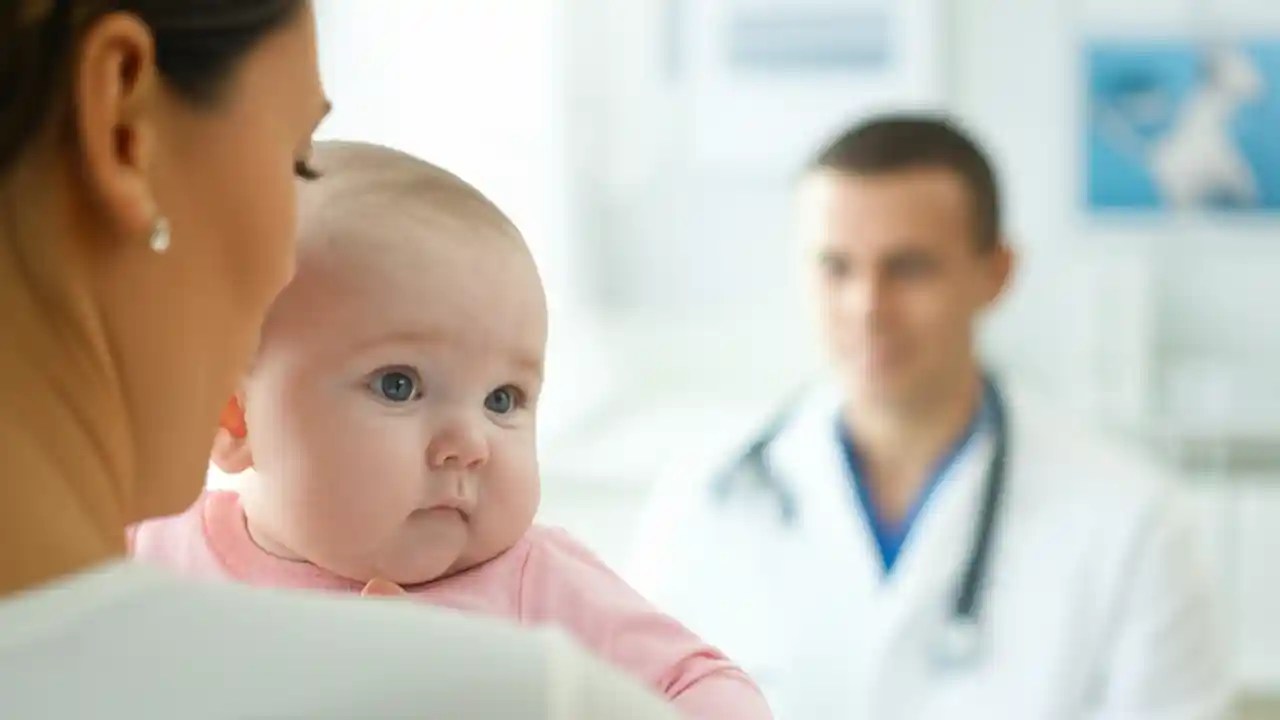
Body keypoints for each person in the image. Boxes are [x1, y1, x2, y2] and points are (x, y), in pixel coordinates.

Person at [0, 2, 679, 717]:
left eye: (505, 399)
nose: (286, 266)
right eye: (294, 159)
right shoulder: (517, 698)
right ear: (122, 122)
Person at [129, 140, 773, 719]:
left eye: (503, 398)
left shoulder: (537, 584)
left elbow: (709, 692)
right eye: (397, 385)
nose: (471, 443)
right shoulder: (147, 560)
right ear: (233, 415)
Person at [630, 115, 1233, 719]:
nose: (867, 307)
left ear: (996, 273)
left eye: (909, 268)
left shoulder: (1134, 524)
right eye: (835, 267)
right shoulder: (702, 501)